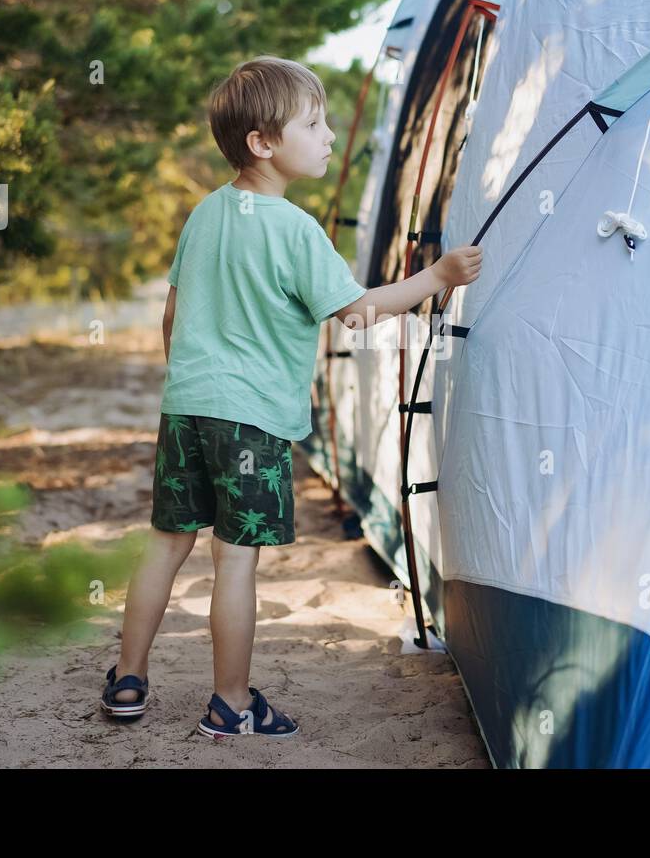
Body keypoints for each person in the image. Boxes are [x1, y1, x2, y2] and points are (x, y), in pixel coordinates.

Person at [99, 55, 482, 736]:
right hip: (250, 422)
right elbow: (358, 311)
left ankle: (128, 679)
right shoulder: (295, 230)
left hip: (185, 405)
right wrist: (437, 275)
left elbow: (171, 318)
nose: (331, 134)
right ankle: (231, 703)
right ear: (263, 142)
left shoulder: (205, 216)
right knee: (234, 559)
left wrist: (192, 381)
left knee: (165, 543)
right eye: (315, 122)